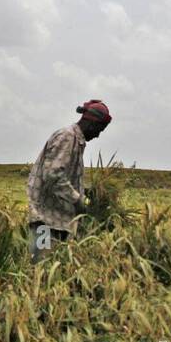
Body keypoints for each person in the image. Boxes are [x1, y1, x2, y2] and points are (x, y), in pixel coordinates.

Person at [27, 100, 112, 262]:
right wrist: (77, 199)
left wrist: (86, 191)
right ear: (90, 123)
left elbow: (63, 175)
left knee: (52, 269)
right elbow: (53, 175)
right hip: (46, 221)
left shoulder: (76, 141)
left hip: (58, 221)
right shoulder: (67, 137)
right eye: (99, 129)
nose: (98, 135)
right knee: (40, 268)